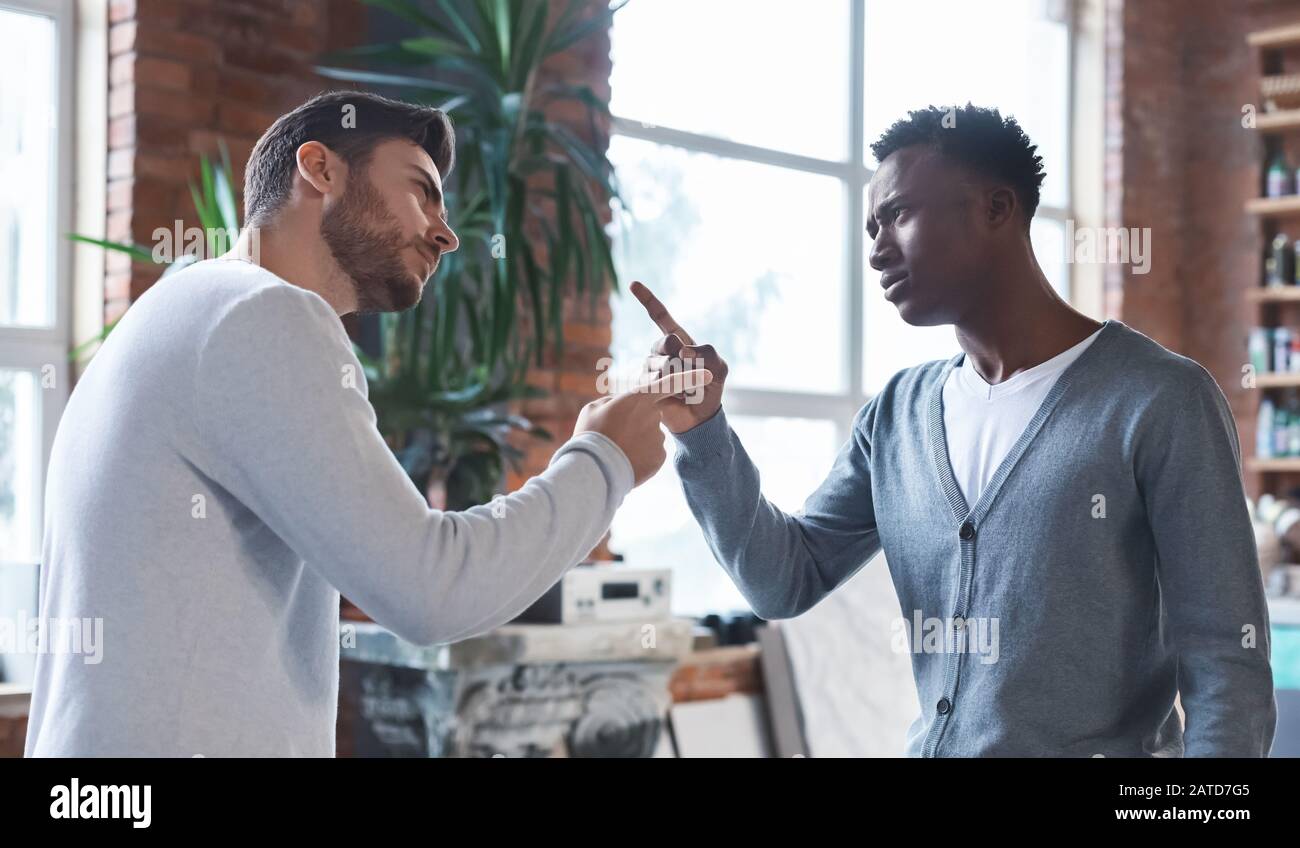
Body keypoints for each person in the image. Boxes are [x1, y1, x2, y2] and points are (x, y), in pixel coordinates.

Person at [633, 104, 1276, 757]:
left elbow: (1227, 666)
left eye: (898, 214)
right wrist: (703, 430)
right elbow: (783, 580)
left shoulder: (1159, 398)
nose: (877, 250)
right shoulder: (896, 415)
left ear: (997, 208)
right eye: (871, 228)